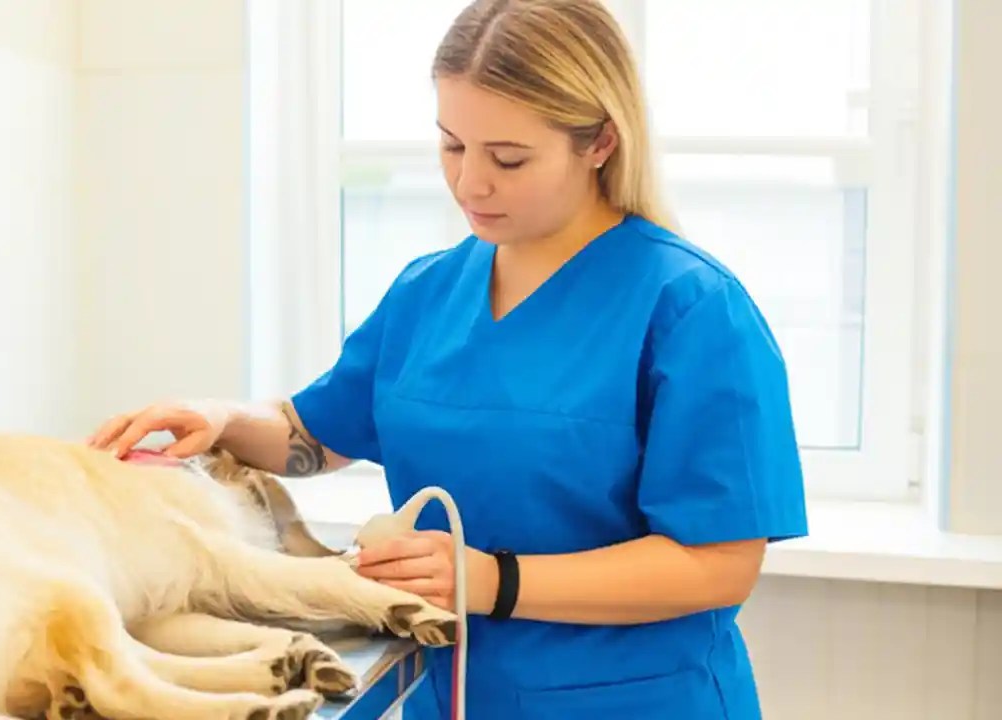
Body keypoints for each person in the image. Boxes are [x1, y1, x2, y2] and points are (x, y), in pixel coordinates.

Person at [88, 0, 809, 717]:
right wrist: (219, 420)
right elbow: (316, 435)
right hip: (451, 695)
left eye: (508, 158)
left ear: (600, 143)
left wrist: (494, 581)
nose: (470, 184)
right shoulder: (428, 292)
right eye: (452, 146)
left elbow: (719, 565)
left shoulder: (691, 309)